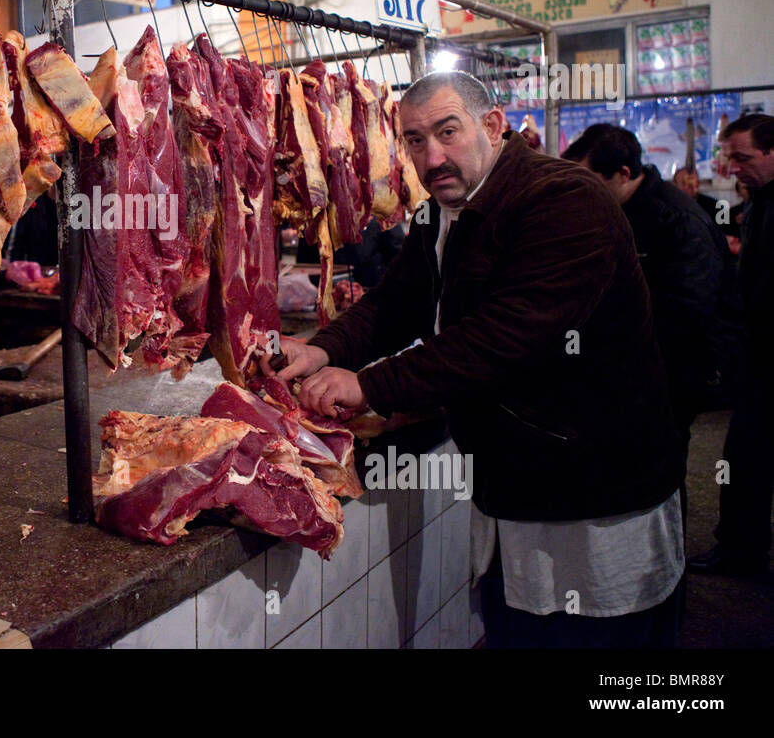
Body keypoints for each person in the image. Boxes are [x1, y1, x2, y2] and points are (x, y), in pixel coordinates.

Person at [267, 71, 686, 648]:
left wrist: (370, 386)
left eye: (447, 132)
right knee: (521, 629)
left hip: (597, 486)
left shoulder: (564, 199)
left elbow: (508, 336)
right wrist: (322, 348)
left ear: (492, 125)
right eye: (415, 140)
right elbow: (398, 301)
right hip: (518, 481)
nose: (431, 156)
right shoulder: (443, 206)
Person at [564, 125, 743, 428]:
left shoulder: (676, 220)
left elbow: (686, 312)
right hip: (628, 367)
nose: (578, 190)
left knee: (656, 459)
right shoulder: (614, 210)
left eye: (588, 180)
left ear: (622, 173)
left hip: (668, 372)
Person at [689, 113, 774, 577]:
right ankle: (741, 549)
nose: (733, 166)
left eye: (742, 157)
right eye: (728, 156)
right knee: (745, 458)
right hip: (758, 357)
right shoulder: (759, 200)